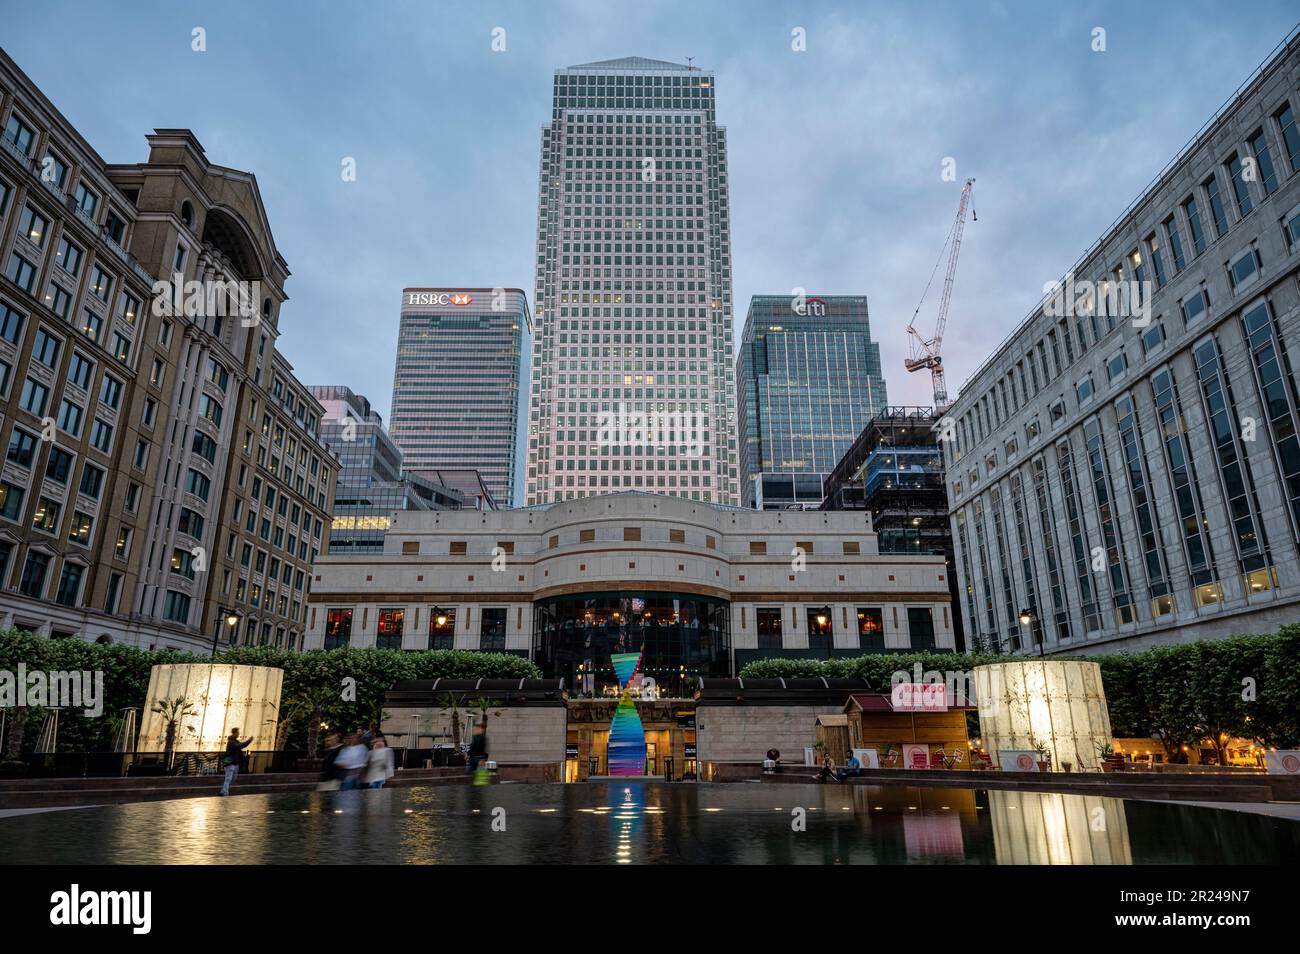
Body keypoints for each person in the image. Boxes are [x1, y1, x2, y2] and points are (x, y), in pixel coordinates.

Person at [220, 728, 253, 796]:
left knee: (233, 779)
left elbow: (241, 746)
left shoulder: (236, 741)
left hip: (235, 763)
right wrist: (249, 741)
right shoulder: (231, 742)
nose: (238, 734)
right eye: (237, 732)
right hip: (230, 762)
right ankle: (225, 793)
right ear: (234, 733)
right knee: (228, 778)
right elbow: (239, 746)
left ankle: (223, 791)